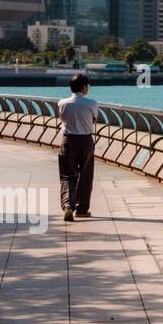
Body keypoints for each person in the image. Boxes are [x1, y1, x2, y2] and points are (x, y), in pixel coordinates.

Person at [57, 73, 100, 221]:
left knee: (67, 175)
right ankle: (82, 209)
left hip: (68, 141)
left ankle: (68, 205)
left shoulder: (62, 103)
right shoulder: (92, 103)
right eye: (87, 86)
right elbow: (94, 119)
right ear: (83, 87)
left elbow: (63, 119)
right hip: (86, 141)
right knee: (86, 176)